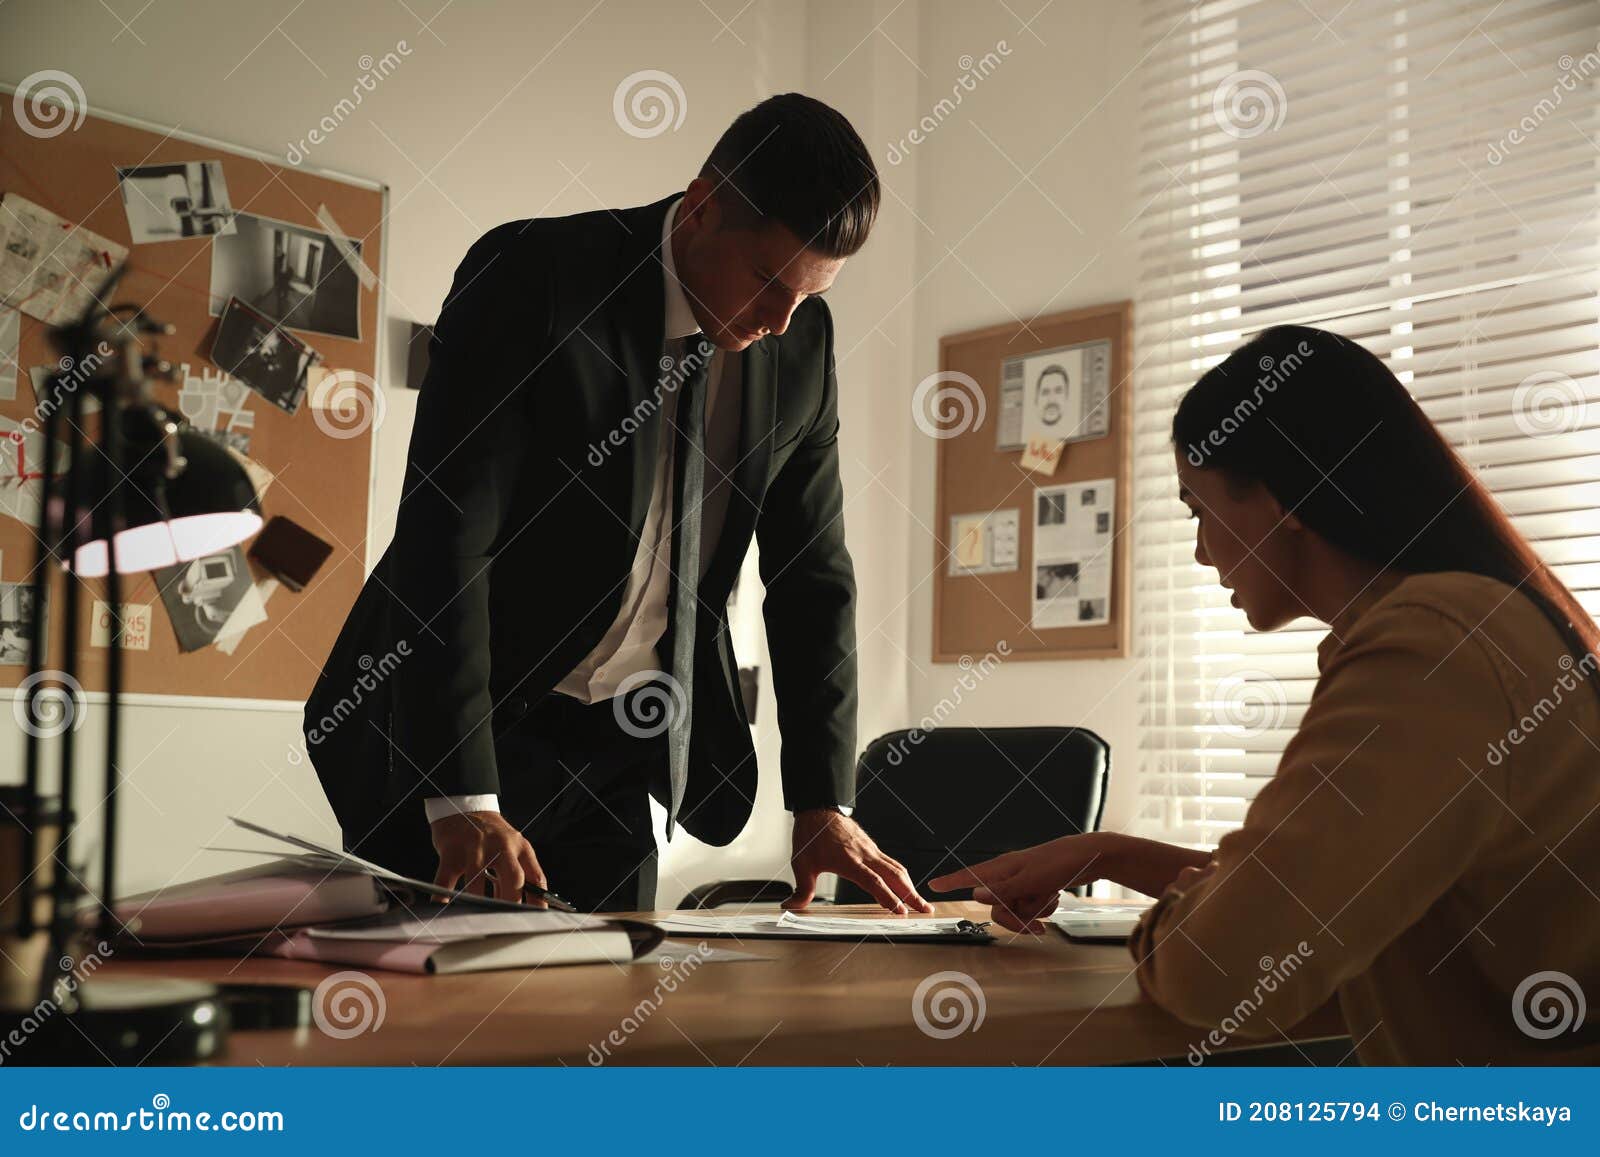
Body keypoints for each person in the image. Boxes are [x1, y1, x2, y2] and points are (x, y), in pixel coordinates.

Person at [305, 94, 932, 917]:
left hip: (626, 747)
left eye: (808, 295)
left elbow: (814, 577)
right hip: (460, 731)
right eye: (769, 282)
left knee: (613, 1017)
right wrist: (460, 794)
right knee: (443, 1024)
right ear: (703, 207)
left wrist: (824, 803)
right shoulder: (537, 275)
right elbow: (448, 533)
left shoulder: (803, 345)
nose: (781, 321)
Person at [934, 325, 1600, 1064]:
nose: (1197, 549)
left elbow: (1220, 970)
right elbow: (1331, 882)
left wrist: (1185, 916)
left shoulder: (1432, 647)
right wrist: (1109, 852)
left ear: (1281, 498)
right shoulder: (1477, 622)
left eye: (1198, 508)